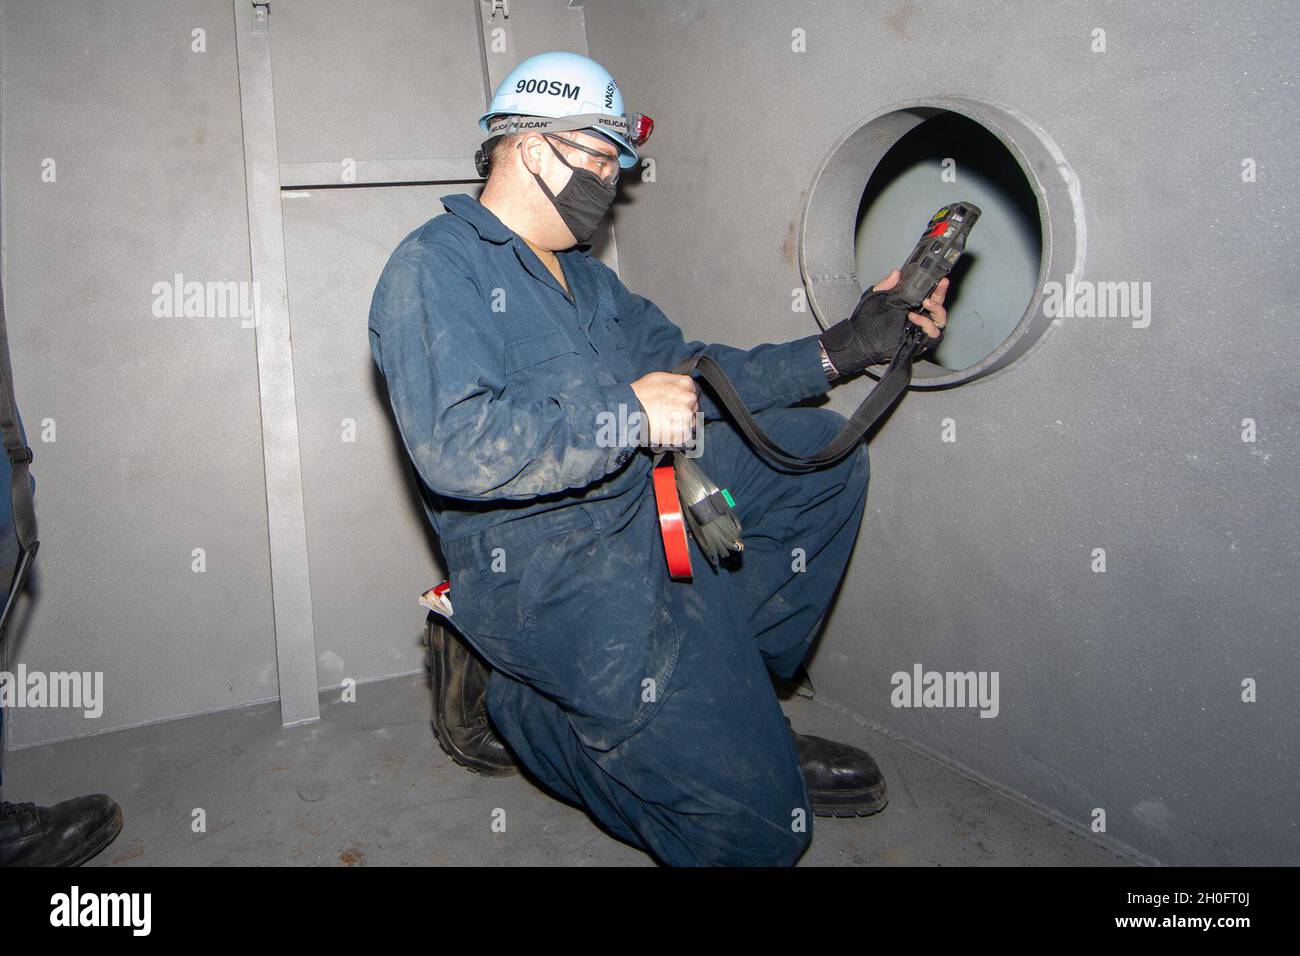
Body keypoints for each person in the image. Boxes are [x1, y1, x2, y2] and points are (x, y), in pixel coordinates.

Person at [369, 51, 947, 866]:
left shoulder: (587, 283)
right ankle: (526, 709)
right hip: (551, 570)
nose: (612, 182)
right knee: (755, 837)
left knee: (821, 459)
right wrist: (622, 415)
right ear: (533, 149)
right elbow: (459, 451)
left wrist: (844, 348)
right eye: (601, 158)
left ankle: (739, 695)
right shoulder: (435, 267)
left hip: (640, 509)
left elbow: (698, 373)